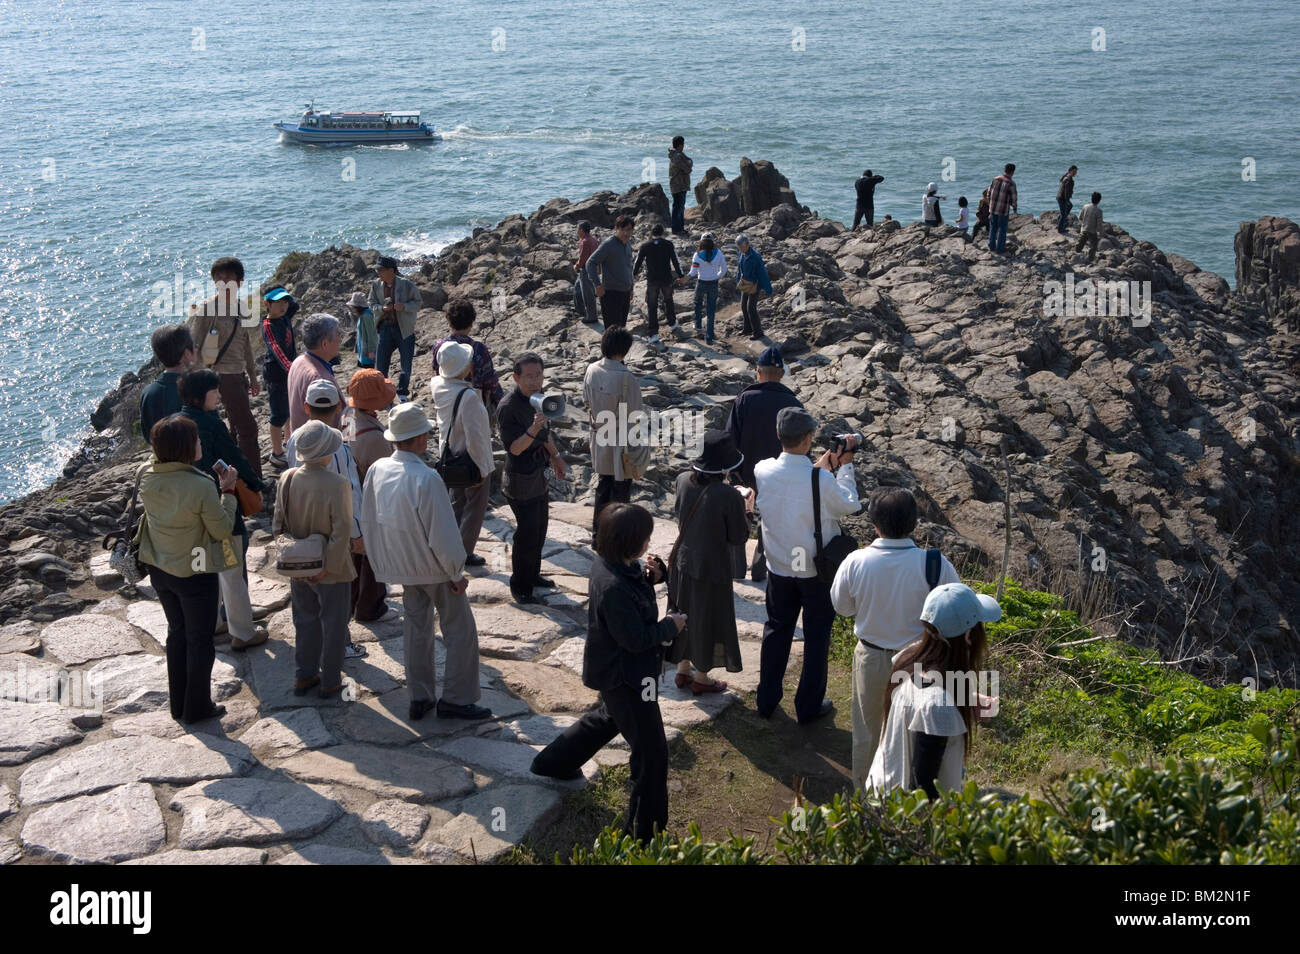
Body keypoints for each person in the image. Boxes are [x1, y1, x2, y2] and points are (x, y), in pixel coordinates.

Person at [530, 503, 685, 842]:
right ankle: (645, 835)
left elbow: (630, 597)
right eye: (645, 538)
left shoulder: (611, 565)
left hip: (619, 673)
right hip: (629, 677)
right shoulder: (614, 586)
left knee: (609, 717)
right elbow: (635, 639)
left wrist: (649, 576)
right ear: (630, 542)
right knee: (652, 754)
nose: (648, 543)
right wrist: (669, 627)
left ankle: (552, 763)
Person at [360, 404, 492, 721]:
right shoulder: (427, 477)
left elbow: (368, 519)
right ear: (420, 438)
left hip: (402, 566)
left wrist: (381, 564)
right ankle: (457, 699)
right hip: (434, 568)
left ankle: (419, 696)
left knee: (416, 629)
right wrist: (455, 572)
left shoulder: (378, 470)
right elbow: (443, 535)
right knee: (459, 630)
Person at [829, 488, 961, 790]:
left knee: (868, 732)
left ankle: (865, 802)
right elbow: (953, 610)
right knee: (915, 735)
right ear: (915, 522)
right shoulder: (935, 564)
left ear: (874, 522)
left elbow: (843, 608)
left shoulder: (855, 560)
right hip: (921, 662)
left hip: (871, 657)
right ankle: (908, 803)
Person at [754, 407, 860, 723]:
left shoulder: (762, 470)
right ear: (809, 437)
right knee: (816, 638)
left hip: (779, 567)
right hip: (816, 572)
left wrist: (826, 462)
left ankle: (766, 700)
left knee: (776, 631)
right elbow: (850, 504)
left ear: (778, 435)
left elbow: (795, 482)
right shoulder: (822, 480)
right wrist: (846, 467)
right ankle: (808, 705)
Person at [137, 413, 240, 723]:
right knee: (199, 640)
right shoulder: (201, 484)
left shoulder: (147, 475)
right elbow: (222, 530)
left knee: (177, 633)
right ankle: (197, 707)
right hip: (195, 567)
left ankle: (178, 704)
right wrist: (229, 492)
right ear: (186, 447)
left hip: (160, 567)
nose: (200, 443)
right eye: (195, 439)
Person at [866, 583, 1000, 798]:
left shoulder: (908, 657)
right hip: (904, 817)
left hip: (882, 790)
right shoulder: (939, 708)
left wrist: (968, 698)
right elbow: (923, 791)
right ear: (967, 634)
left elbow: (925, 691)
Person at [178, 368, 268, 651]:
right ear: (200, 396)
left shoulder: (177, 421)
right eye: (214, 391)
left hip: (193, 510)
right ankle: (242, 631)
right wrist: (255, 483)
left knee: (206, 567)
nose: (218, 395)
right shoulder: (210, 424)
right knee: (231, 568)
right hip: (221, 504)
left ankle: (215, 621)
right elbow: (233, 458)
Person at [274, 420, 357, 698]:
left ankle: (304, 675)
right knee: (334, 624)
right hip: (332, 568)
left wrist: (291, 557)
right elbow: (342, 530)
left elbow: (277, 524)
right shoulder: (338, 484)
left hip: (298, 562)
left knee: (305, 620)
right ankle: (331, 680)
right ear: (327, 453)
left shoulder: (286, 479)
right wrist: (327, 567)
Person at [286, 379, 368, 659]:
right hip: (334, 529)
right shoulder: (340, 445)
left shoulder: (295, 439)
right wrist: (357, 533)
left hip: (301, 525)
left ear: (306, 407)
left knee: (307, 594)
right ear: (337, 410)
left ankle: (311, 652)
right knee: (336, 591)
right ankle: (340, 644)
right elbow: (351, 491)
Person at [667, 430, 750, 693]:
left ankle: (682, 669)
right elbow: (738, 537)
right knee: (709, 618)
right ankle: (702, 677)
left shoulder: (682, 480)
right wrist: (746, 507)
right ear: (724, 467)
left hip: (682, 562)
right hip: (712, 566)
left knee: (683, 614)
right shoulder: (728, 496)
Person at [726, 346, 803, 582]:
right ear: (781, 374)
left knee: (739, 517)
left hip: (744, 473)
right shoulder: (793, 403)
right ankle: (759, 570)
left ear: (757, 371)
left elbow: (730, 437)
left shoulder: (745, 398)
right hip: (778, 476)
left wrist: (731, 474)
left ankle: (738, 569)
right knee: (768, 523)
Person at [498, 352, 566, 604]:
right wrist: (533, 428)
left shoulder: (539, 399)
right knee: (526, 534)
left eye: (538, 375)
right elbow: (514, 448)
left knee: (540, 530)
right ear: (516, 378)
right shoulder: (508, 407)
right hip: (519, 478)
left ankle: (533, 574)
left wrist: (556, 456)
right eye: (529, 376)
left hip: (539, 473)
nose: (535, 381)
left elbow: (545, 433)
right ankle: (520, 586)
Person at [187, 257, 262, 478]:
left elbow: (245, 344)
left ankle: (234, 476)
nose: (222, 283)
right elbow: (193, 344)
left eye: (227, 278)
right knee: (248, 429)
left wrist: (252, 376)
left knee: (235, 430)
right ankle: (254, 479)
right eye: (217, 278)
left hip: (237, 375)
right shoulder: (207, 309)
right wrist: (200, 382)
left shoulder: (241, 308)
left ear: (239, 282)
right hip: (220, 377)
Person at [431, 341, 494, 567]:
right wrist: (483, 469)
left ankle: (450, 546)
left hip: (449, 455)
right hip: (469, 460)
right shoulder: (468, 398)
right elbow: (476, 437)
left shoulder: (437, 384)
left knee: (455, 503)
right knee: (475, 507)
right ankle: (465, 552)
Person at [345, 369, 396, 623]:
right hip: (370, 503)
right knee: (373, 555)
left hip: (352, 501)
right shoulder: (375, 438)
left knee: (357, 555)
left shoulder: (348, 418)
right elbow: (384, 478)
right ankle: (370, 607)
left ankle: (354, 602)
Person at [584, 326, 643, 532]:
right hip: (621, 440)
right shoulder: (627, 377)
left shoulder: (591, 370)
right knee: (621, 489)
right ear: (624, 351)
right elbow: (636, 413)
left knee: (603, 484)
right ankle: (617, 536)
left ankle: (598, 534)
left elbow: (586, 401)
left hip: (599, 435)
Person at [430, 298, 505, 420]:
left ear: (449, 322)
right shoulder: (479, 349)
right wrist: (502, 402)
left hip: (447, 401)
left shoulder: (439, 346)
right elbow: (490, 380)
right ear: (471, 323)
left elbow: (436, 369)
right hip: (474, 404)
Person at [369, 255, 421, 402]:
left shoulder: (406, 284)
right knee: (381, 363)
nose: (378, 273)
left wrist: (404, 307)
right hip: (385, 328)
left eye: (381, 270)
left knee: (406, 363)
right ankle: (381, 391)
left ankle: (402, 392)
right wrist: (381, 308)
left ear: (391, 270)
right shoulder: (376, 285)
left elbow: (418, 303)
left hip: (404, 329)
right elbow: (371, 303)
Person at [260, 286, 298, 469]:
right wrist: (292, 368)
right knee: (278, 414)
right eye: (278, 302)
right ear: (267, 304)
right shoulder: (268, 326)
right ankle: (276, 453)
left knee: (289, 409)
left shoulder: (284, 316)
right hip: (276, 374)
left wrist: (285, 292)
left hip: (288, 372)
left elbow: (295, 305)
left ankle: (289, 441)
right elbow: (276, 349)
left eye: (285, 301)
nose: (283, 306)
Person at [287, 313, 343, 431]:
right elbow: (337, 422)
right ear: (324, 344)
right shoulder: (319, 379)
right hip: (321, 444)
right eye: (338, 334)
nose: (340, 339)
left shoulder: (299, 361)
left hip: (303, 440)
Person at [139, 324, 194, 439]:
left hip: (162, 454)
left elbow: (147, 434)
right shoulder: (195, 389)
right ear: (186, 354)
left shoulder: (147, 393)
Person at [633, 224, 683, 343]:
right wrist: (681, 275)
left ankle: (653, 334)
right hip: (666, 279)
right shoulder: (668, 244)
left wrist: (633, 274)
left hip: (652, 280)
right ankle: (672, 324)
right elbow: (676, 260)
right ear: (663, 233)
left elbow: (638, 261)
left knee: (652, 305)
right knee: (668, 300)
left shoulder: (645, 246)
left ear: (652, 233)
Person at [586, 215, 637, 328]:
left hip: (625, 292)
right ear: (616, 229)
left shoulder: (628, 243)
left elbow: (629, 267)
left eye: (630, 230)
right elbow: (590, 263)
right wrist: (597, 285)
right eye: (623, 230)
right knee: (612, 329)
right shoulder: (608, 244)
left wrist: (631, 288)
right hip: (611, 293)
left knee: (621, 327)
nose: (627, 233)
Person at [687, 232, 727, 345]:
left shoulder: (697, 255)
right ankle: (709, 337)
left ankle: (698, 325)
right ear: (712, 242)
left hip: (701, 283)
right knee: (711, 310)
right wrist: (717, 276)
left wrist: (686, 277)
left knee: (697, 303)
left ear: (701, 242)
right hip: (713, 283)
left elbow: (693, 272)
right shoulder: (718, 253)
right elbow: (724, 269)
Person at [734, 234, 773, 340]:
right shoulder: (742, 254)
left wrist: (768, 289)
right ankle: (747, 328)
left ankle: (758, 332)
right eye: (739, 247)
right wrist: (738, 280)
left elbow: (762, 273)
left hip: (755, 285)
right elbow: (739, 268)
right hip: (745, 283)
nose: (740, 249)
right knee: (743, 306)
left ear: (747, 245)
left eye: (741, 247)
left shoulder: (755, 256)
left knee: (751, 308)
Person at [986, 163, 1018, 253]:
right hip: (1003, 210)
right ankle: (1000, 249)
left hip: (992, 208)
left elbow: (988, 193)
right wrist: (1015, 209)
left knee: (993, 228)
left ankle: (991, 246)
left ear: (1005, 170)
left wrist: (990, 205)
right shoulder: (1011, 184)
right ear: (1012, 172)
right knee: (1002, 229)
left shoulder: (995, 179)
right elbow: (1014, 199)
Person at [573, 222, 599, 324]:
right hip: (592, 269)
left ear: (582, 230)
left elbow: (583, 258)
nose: (577, 232)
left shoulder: (586, 241)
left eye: (578, 229)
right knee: (577, 289)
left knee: (588, 294)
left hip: (586, 270)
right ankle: (581, 311)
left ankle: (591, 316)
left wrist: (576, 266)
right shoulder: (593, 240)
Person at [344, 291, 378, 369]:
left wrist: (371, 350)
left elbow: (371, 334)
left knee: (370, 373)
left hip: (368, 353)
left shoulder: (366, 316)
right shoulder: (362, 315)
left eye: (353, 306)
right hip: (364, 351)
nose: (351, 308)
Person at [668, 136, 693, 235]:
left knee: (680, 207)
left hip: (679, 184)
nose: (683, 146)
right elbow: (687, 168)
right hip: (678, 185)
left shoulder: (677, 155)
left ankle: (680, 228)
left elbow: (688, 162)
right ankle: (676, 229)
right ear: (679, 145)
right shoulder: (677, 156)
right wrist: (689, 163)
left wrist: (689, 162)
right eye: (683, 144)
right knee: (678, 207)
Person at [1077, 192, 1104, 263]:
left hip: (1083, 229)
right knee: (1093, 246)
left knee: (1080, 244)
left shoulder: (1085, 206)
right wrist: (1101, 234)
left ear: (1091, 198)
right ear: (1099, 200)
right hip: (1092, 231)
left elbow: (1080, 217)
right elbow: (1099, 225)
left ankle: (1076, 255)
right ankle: (1090, 260)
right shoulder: (1099, 211)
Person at [1057, 165, 1078, 234]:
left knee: (1068, 207)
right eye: (1074, 171)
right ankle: (1060, 229)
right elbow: (1066, 190)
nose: (1075, 173)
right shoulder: (1069, 178)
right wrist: (1067, 200)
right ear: (1070, 171)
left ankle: (1060, 221)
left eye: (1076, 171)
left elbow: (1066, 189)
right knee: (1064, 213)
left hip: (1060, 197)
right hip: (1062, 198)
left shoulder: (1067, 176)